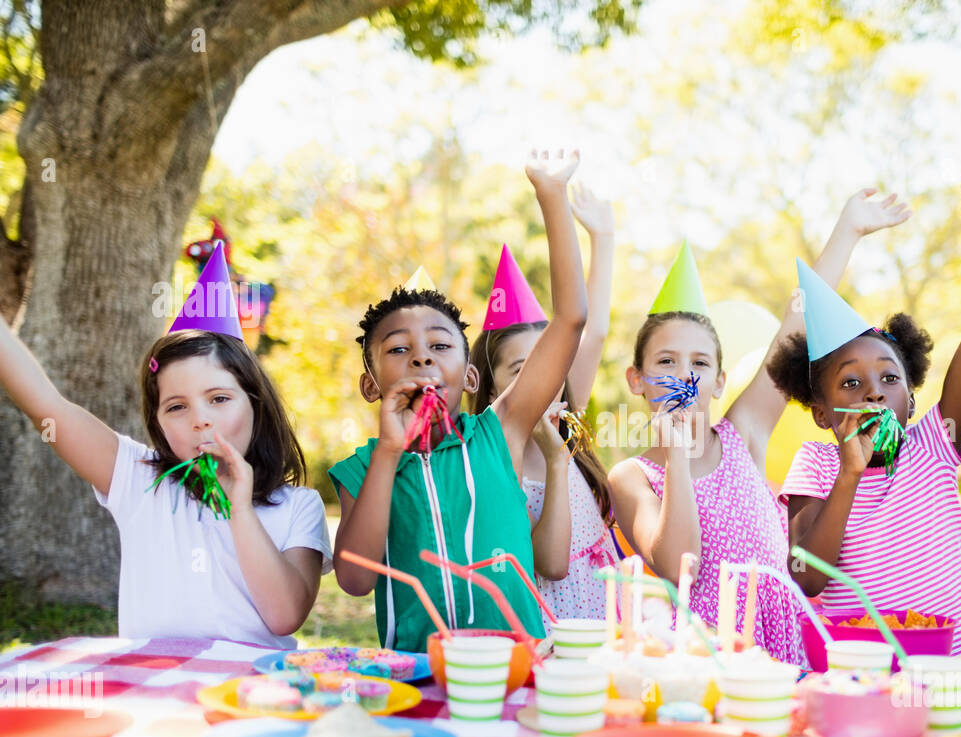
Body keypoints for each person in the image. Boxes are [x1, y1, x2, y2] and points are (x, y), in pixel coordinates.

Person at [609, 187, 912, 665]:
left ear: (718, 381)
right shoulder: (631, 477)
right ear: (637, 380)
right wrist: (675, 456)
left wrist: (848, 230)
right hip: (704, 658)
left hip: (781, 647)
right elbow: (679, 565)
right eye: (666, 362)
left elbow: (798, 322)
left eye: (699, 363)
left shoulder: (743, 431)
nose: (684, 375)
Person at [0, 243, 331, 647]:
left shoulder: (299, 507)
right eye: (176, 406)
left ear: (256, 406)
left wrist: (239, 508)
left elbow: (284, 616)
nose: (200, 419)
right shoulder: (138, 480)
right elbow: (46, 407)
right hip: (154, 696)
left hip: (253, 698)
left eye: (219, 399)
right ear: (158, 425)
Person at [331, 149, 588, 651]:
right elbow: (355, 581)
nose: (422, 360)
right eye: (399, 349)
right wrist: (387, 452)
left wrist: (551, 195)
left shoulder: (500, 432)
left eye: (440, 346)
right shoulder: (361, 468)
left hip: (522, 666)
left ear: (470, 377)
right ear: (370, 386)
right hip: (419, 676)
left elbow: (570, 320)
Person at [772, 166, 961, 656]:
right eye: (851, 382)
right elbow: (807, 576)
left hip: (954, 666)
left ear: (911, 399)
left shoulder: (936, 442)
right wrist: (849, 474)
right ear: (822, 413)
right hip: (861, 675)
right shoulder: (819, 463)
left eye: (890, 379)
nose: (874, 393)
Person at [467, 184, 618, 621]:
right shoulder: (497, 460)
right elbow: (551, 565)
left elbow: (594, 331)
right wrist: (555, 461)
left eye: (548, 367)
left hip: (603, 622)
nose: (544, 383)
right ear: (493, 392)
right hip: (557, 633)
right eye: (521, 370)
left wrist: (602, 237)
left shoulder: (566, 416)